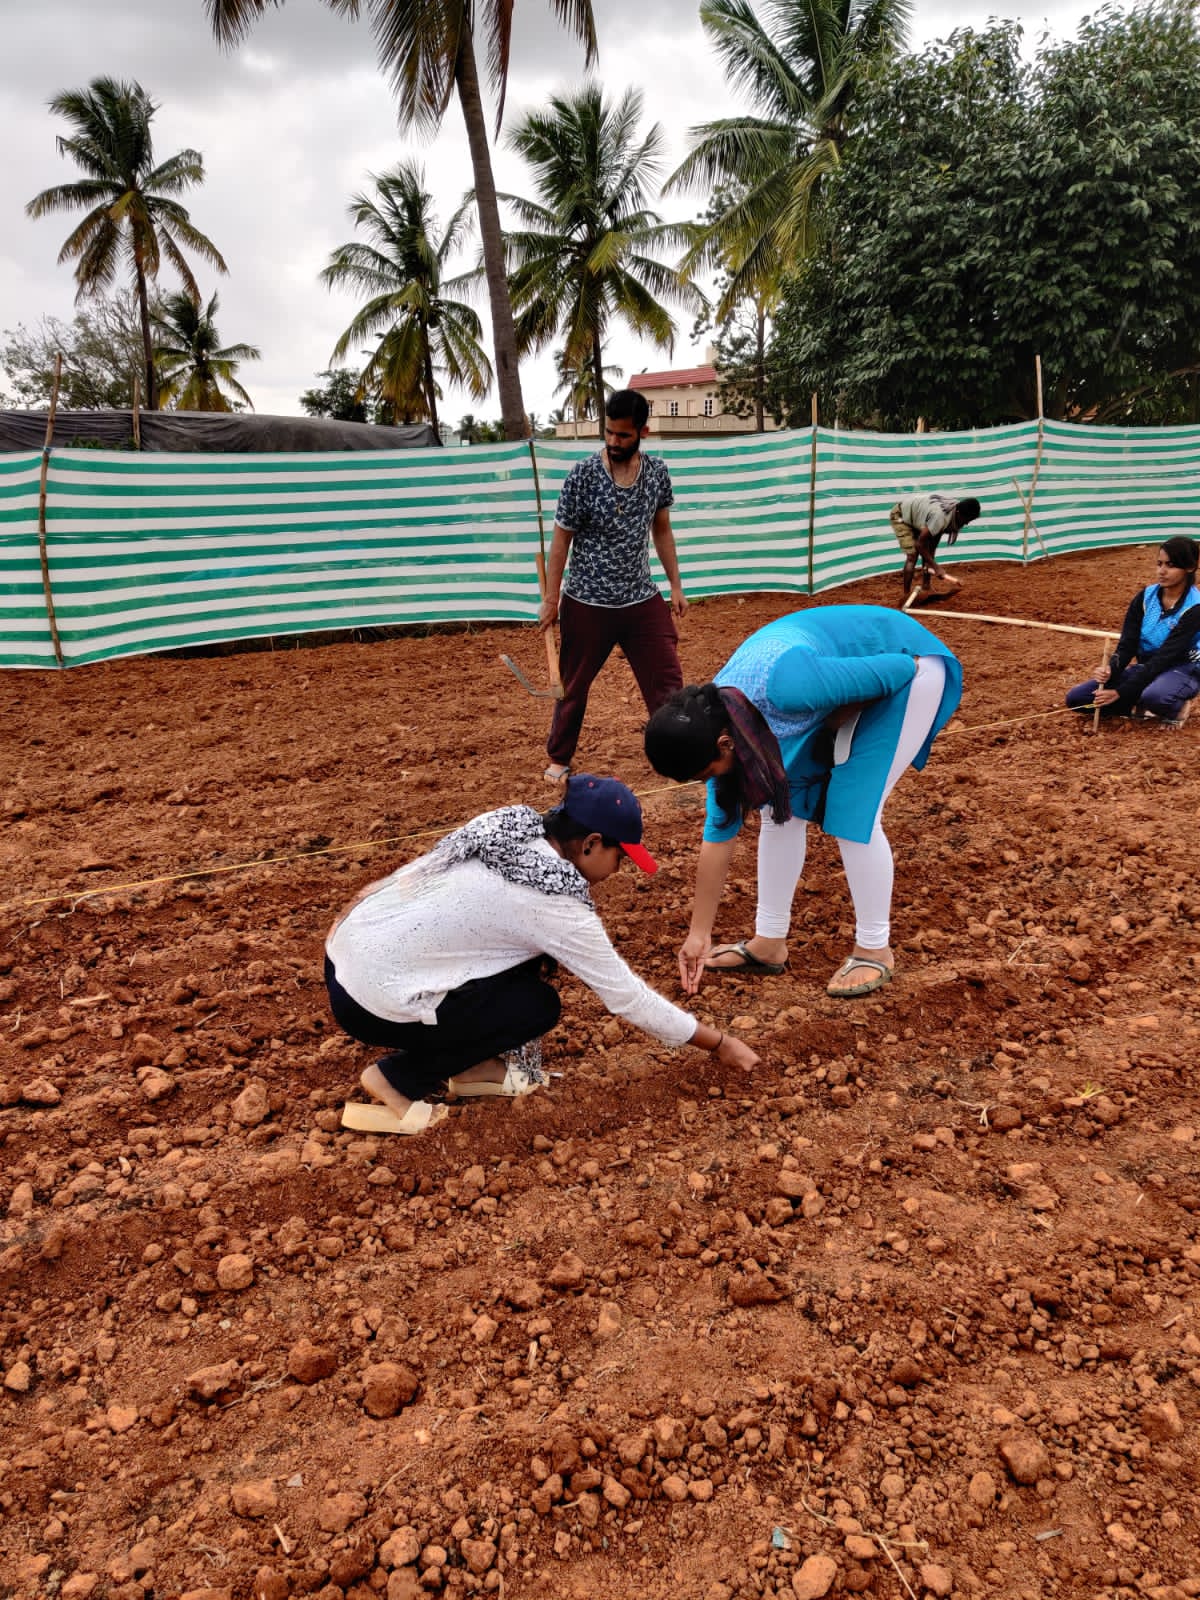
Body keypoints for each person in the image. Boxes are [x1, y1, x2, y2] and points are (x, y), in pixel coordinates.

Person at [324, 774, 758, 1134]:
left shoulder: (508, 827)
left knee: (521, 969)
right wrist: (719, 1043)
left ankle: (473, 1070)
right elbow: (628, 998)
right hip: (370, 1002)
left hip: (346, 954)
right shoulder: (553, 901)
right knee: (534, 1006)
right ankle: (396, 1080)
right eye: (620, 857)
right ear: (590, 843)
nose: (618, 870)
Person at [643, 606, 962, 1001]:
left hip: (912, 667)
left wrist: (837, 720)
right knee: (780, 809)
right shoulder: (716, 723)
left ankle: (874, 948)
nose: (709, 783)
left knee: (852, 806)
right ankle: (768, 942)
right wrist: (698, 935)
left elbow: (901, 669)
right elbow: (718, 833)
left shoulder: (787, 689)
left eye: (706, 774)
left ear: (725, 745)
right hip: (834, 682)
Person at [538, 389, 686, 783]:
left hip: (640, 597)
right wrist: (551, 599)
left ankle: (678, 753)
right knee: (572, 686)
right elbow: (561, 540)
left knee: (667, 681)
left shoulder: (657, 473)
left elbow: (662, 530)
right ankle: (559, 757)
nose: (613, 441)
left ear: (643, 432)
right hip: (587, 601)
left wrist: (676, 585)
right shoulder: (582, 476)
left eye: (623, 435)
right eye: (608, 432)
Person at [1066, 536, 1200, 729]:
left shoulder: (1194, 607)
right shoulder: (1145, 597)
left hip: (1182, 666)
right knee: (1078, 698)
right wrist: (1112, 669)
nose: (1161, 571)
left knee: (1156, 697)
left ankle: (1175, 706)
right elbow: (1127, 644)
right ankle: (1140, 703)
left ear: (1190, 568)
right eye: (1159, 564)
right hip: (1147, 666)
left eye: (1170, 565)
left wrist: (1121, 693)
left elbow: (1165, 656)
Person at [889, 492, 981, 599]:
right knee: (912, 556)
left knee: (928, 552)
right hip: (901, 516)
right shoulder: (940, 517)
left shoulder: (953, 510)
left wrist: (931, 563)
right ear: (959, 513)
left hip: (917, 516)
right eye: (966, 519)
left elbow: (932, 544)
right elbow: (919, 544)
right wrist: (936, 567)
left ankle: (926, 587)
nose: (966, 523)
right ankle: (906, 595)